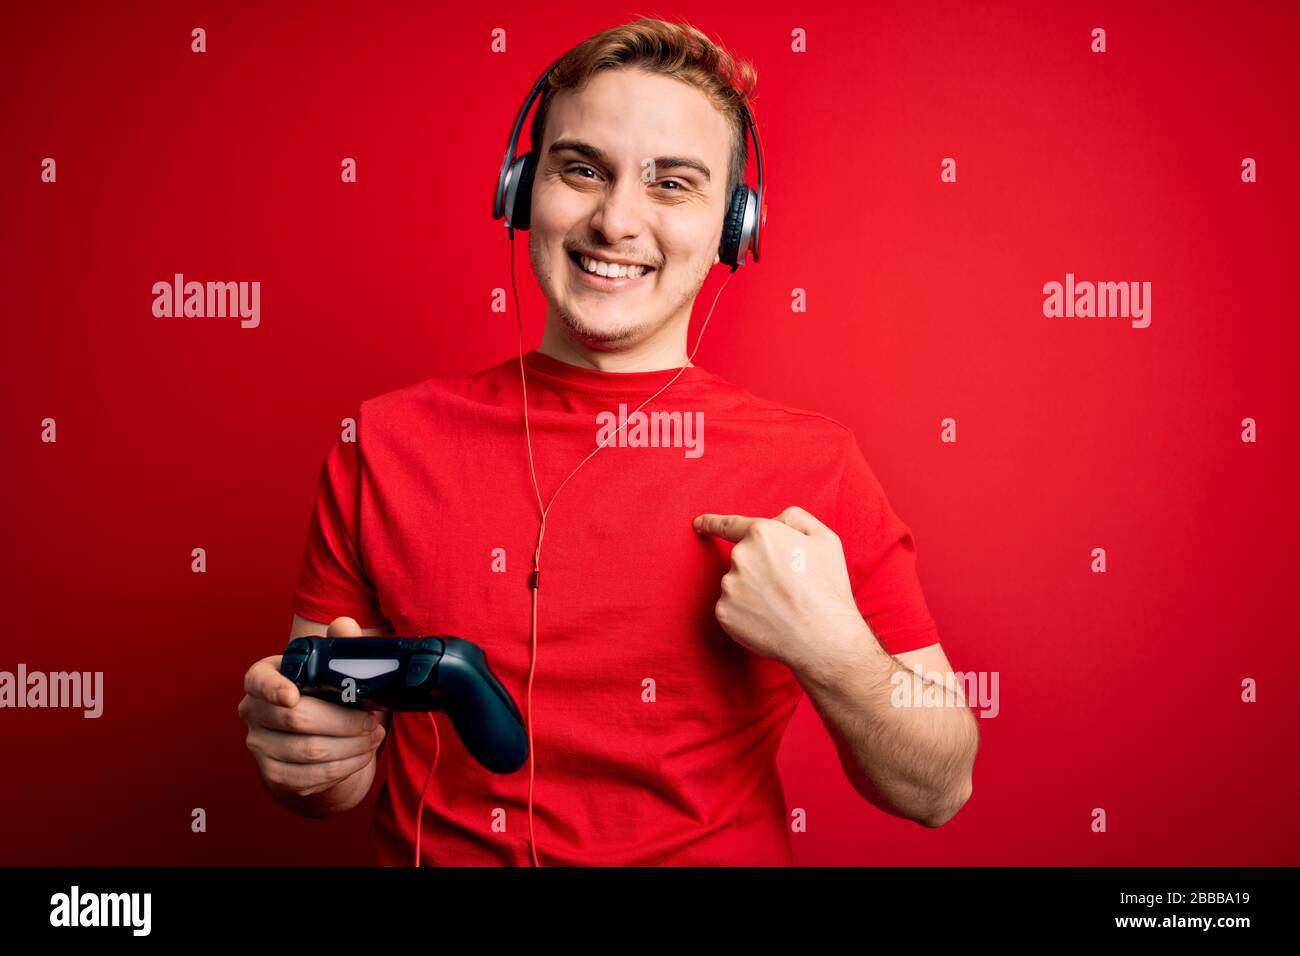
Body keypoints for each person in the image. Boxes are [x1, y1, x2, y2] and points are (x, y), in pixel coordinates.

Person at [238, 17, 977, 866]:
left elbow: (939, 788)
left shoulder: (814, 468)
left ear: (735, 227)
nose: (616, 220)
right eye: (582, 170)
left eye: (672, 185)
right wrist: (305, 755)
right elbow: (330, 776)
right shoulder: (383, 443)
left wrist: (835, 652)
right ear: (522, 190)